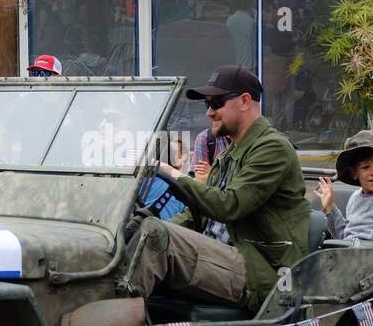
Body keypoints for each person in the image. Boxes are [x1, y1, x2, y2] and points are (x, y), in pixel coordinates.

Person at [127, 65, 310, 311]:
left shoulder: (273, 148)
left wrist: (172, 173)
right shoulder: (228, 154)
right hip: (223, 256)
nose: (209, 113)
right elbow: (196, 213)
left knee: (153, 234)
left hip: (259, 269)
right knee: (134, 232)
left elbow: (229, 205)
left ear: (245, 101)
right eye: (207, 105)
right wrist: (141, 229)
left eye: (217, 103)